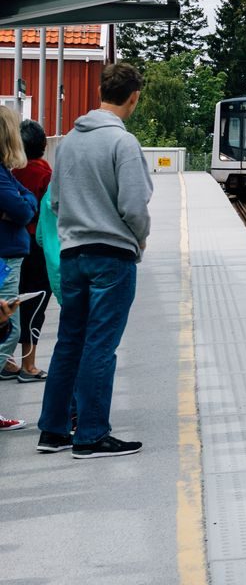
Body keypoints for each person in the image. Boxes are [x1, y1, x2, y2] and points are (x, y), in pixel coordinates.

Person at [38, 63, 151, 459]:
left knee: (69, 341)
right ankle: (90, 435)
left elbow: (54, 202)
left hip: (73, 256)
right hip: (111, 257)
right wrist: (137, 241)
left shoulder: (68, 142)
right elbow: (134, 206)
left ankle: (52, 429)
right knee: (100, 344)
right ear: (133, 97)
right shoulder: (124, 144)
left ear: (101, 92)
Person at [4, 120, 54, 384]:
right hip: (37, 246)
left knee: (10, 302)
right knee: (36, 303)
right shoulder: (45, 173)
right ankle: (29, 365)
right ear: (44, 146)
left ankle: (7, 361)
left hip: (15, 246)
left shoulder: (11, 172)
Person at [0, 108, 36, 434]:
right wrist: (24, 203)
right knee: (6, 329)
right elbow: (24, 209)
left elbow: (24, 203)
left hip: (8, 258)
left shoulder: (4, 173)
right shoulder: (0, 175)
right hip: (4, 261)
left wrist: (23, 202)